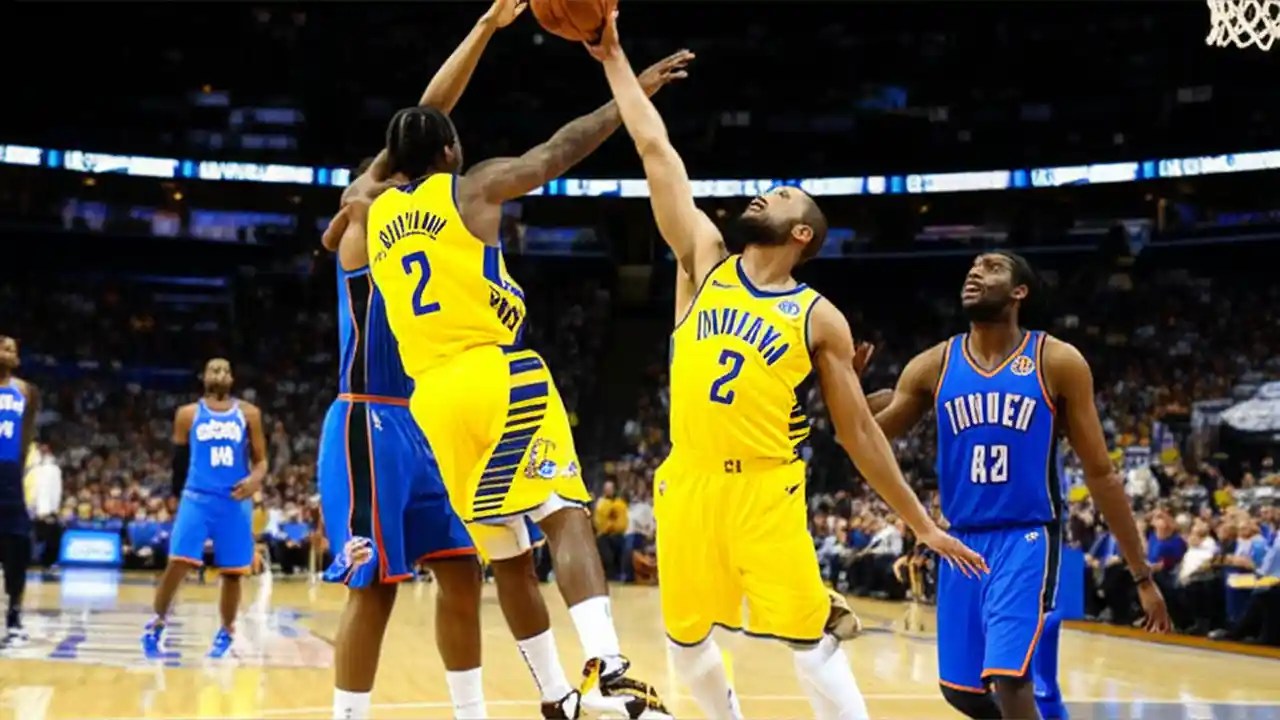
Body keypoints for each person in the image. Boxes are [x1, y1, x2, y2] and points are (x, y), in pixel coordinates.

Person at [586, 14, 986, 720]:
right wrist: (613, 56)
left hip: (768, 491)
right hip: (689, 482)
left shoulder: (819, 316)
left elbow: (859, 431)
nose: (765, 193)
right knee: (683, 642)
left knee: (809, 638)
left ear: (802, 232)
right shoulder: (703, 259)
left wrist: (920, 523)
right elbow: (656, 149)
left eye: (783, 194)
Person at [344, 26, 692, 720]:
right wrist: (629, 95)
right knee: (563, 514)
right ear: (448, 150)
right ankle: (609, 669)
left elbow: (395, 149)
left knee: (506, 554)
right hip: (496, 375)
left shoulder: (369, 206)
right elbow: (559, 149)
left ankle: (554, 696)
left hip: (433, 400)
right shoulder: (473, 189)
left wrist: (406, 135)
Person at [316, 3, 528, 717]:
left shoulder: (424, 216)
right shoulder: (364, 218)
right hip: (370, 421)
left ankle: (471, 712)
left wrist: (488, 30)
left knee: (462, 574)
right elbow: (424, 115)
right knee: (373, 585)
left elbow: (423, 122)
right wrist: (485, 30)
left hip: (434, 418)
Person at [865, 251, 1171, 719]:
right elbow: (870, 437)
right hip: (960, 539)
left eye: (991, 267)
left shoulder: (1057, 361)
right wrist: (841, 386)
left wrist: (1141, 575)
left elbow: (1101, 474)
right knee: (962, 693)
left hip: (1027, 535)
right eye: (972, 267)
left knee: (1009, 679)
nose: (974, 272)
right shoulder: (933, 365)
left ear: (1018, 292)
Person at [142, 358, 268, 659]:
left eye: (226, 369)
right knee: (178, 562)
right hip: (197, 497)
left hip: (235, 500)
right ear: (204, 377)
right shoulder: (187, 415)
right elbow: (179, 462)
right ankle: (156, 624)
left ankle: (226, 631)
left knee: (234, 572)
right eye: (215, 369)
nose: (220, 374)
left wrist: (254, 481)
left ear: (232, 378)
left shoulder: (249, 414)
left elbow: (261, 461)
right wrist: (175, 497)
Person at [0, 335, 38, 648]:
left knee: (18, 547)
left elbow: (25, 436)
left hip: (10, 477)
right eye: (3, 347)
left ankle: (14, 617)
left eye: (13, 348)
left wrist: (20, 467)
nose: (8, 353)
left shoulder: (25, 391)